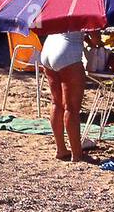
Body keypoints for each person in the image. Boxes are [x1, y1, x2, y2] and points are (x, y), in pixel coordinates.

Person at [39, 30, 95, 161]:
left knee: (56, 102)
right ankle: (77, 154)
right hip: (67, 53)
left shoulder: (60, 8)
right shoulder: (85, 9)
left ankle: (61, 149)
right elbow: (96, 39)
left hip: (48, 47)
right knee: (71, 107)